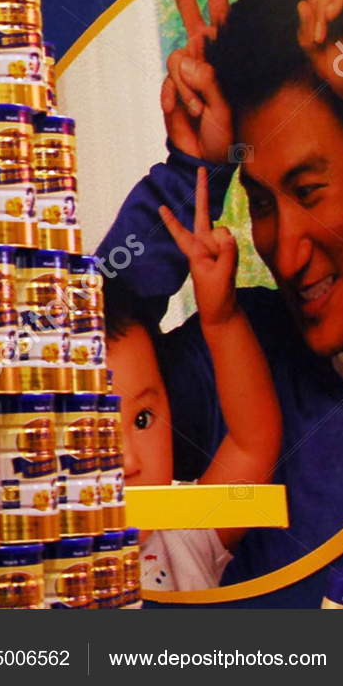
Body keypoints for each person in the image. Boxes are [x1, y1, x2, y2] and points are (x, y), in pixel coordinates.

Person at [100, 0, 343, 606]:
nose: (282, 251)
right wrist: (191, 170)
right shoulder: (242, 343)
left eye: (308, 191)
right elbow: (83, 343)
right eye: (260, 200)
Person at [104, 168, 281, 591]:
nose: (129, 462)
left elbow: (252, 443)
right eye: (95, 433)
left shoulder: (185, 540)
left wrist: (221, 320)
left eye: (143, 420)